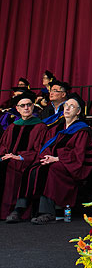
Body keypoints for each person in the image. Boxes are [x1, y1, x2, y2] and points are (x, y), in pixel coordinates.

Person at [7, 93, 92, 224]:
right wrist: (47, 157)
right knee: (33, 169)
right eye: (66, 105)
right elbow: (45, 146)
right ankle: (20, 209)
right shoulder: (57, 128)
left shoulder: (82, 130)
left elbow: (79, 155)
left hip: (70, 166)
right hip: (54, 161)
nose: (67, 108)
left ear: (78, 111)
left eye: (72, 106)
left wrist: (57, 158)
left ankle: (47, 212)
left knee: (51, 169)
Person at [0, 91, 47, 219]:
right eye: (22, 105)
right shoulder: (12, 127)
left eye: (29, 105)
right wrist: (4, 155)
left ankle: (17, 210)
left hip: (25, 161)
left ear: (33, 107)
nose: (26, 108)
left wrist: (20, 157)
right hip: (9, 158)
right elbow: (3, 145)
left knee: (11, 165)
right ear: (17, 109)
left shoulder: (40, 127)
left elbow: (39, 150)